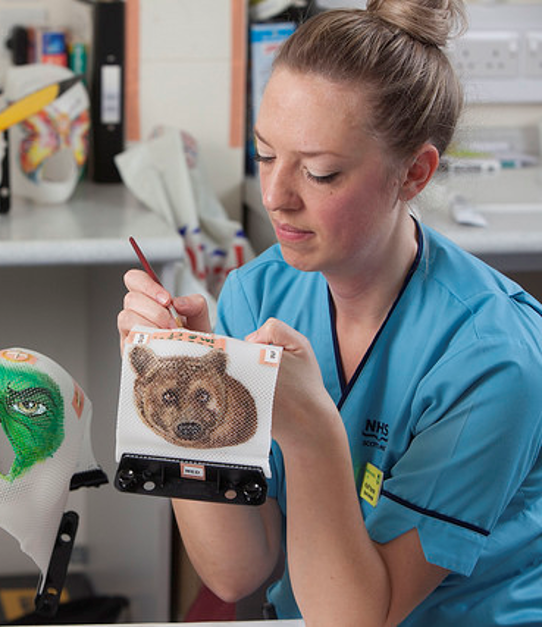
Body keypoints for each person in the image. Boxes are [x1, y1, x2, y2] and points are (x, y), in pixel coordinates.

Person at [117, 0, 542, 624]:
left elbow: (357, 618)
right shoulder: (258, 295)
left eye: (319, 173)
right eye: (265, 156)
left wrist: (312, 430)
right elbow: (236, 572)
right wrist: (185, 375)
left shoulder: (493, 359)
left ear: (414, 174)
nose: (274, 198)